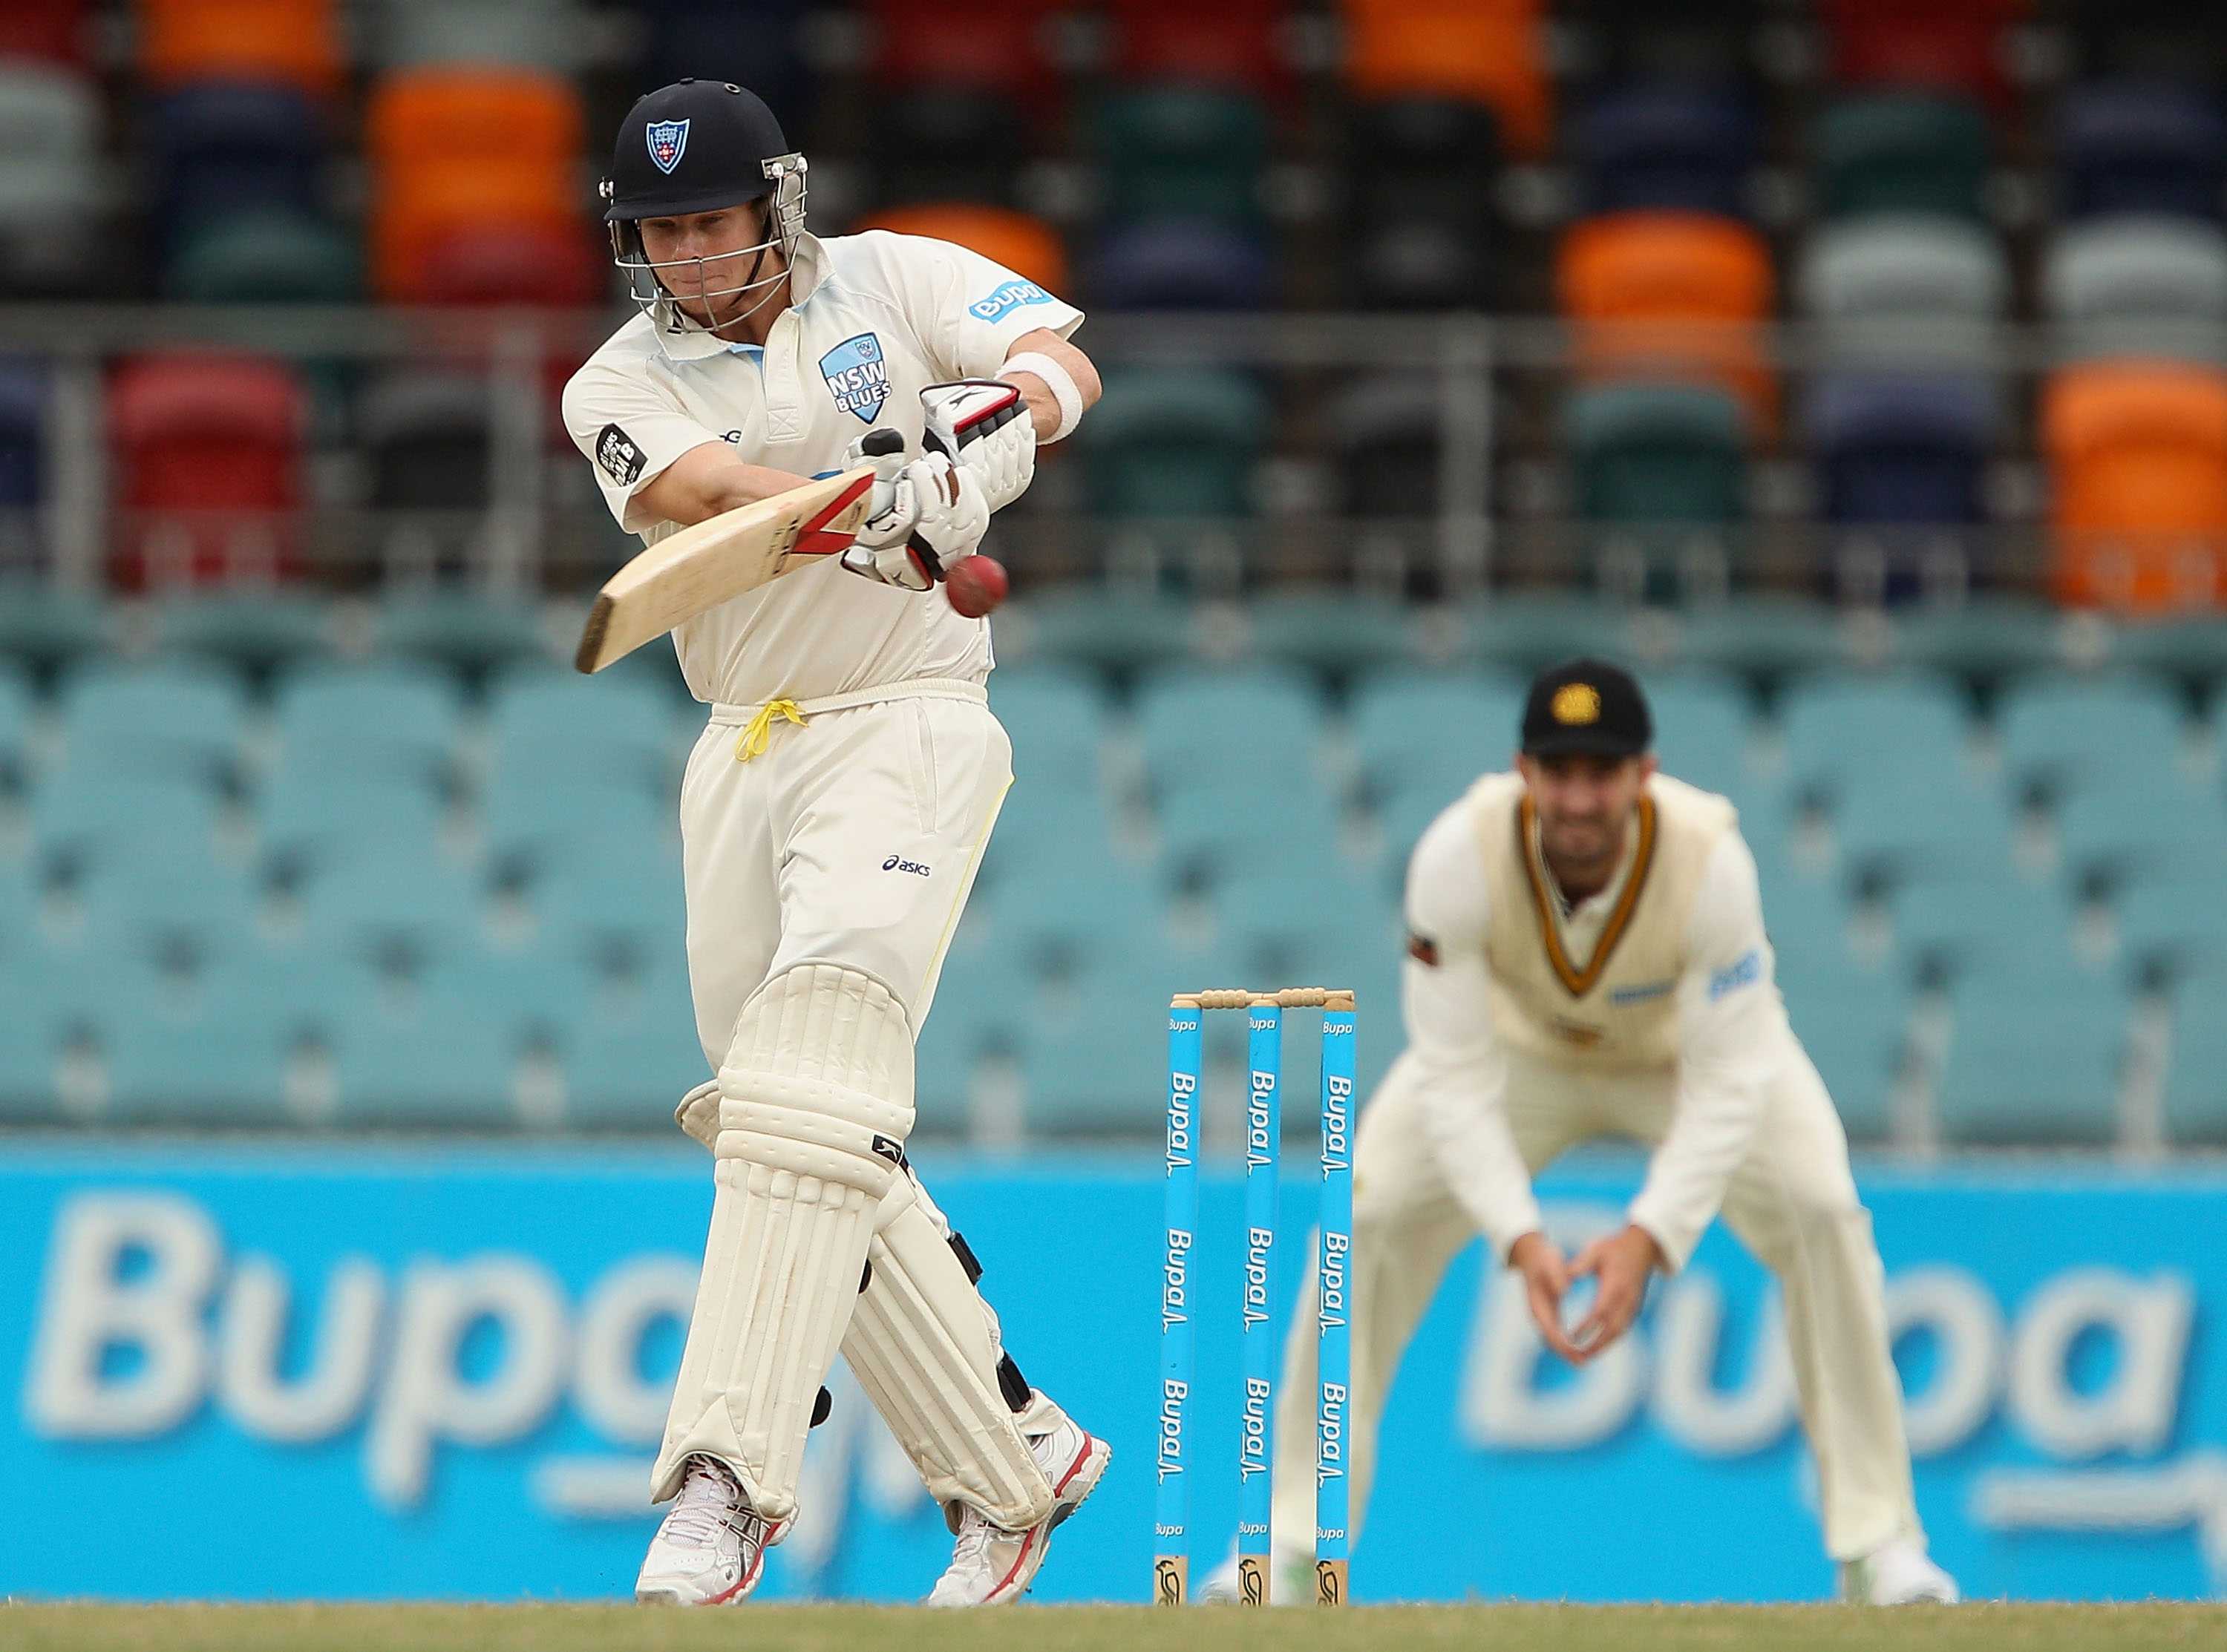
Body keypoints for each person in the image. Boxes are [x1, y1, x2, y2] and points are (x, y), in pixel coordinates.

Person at [559, 79, 1108, 1607]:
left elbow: (1058, 365)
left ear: (773, 206)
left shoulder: (897, 276)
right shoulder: (612, 381)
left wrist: (976, 440)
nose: (686, 257)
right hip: (742, 751)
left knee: (810, 1076)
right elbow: (701, 494)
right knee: (792, 1127)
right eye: (658, 232)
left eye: (709, 224)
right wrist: (850, 499)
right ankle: (1018, 1465)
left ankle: (726, 1480)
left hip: (906, 712)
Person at [1209, 658, 1958, 1606]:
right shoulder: (1458, 856)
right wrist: (1520, 1238)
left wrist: (1650, 1236)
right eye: (1559, 773)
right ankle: (1286, 1555)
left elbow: (1731, 1082)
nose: (1578, 799)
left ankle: (1878, 1544)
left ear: (1644, 777)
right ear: (1524, 772)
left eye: (1601, 774)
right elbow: (1453, 1072)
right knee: (1366, 1215)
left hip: (1686, 1062)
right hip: (1525, 1059)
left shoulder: (1710, 863)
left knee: (1821, 1209)